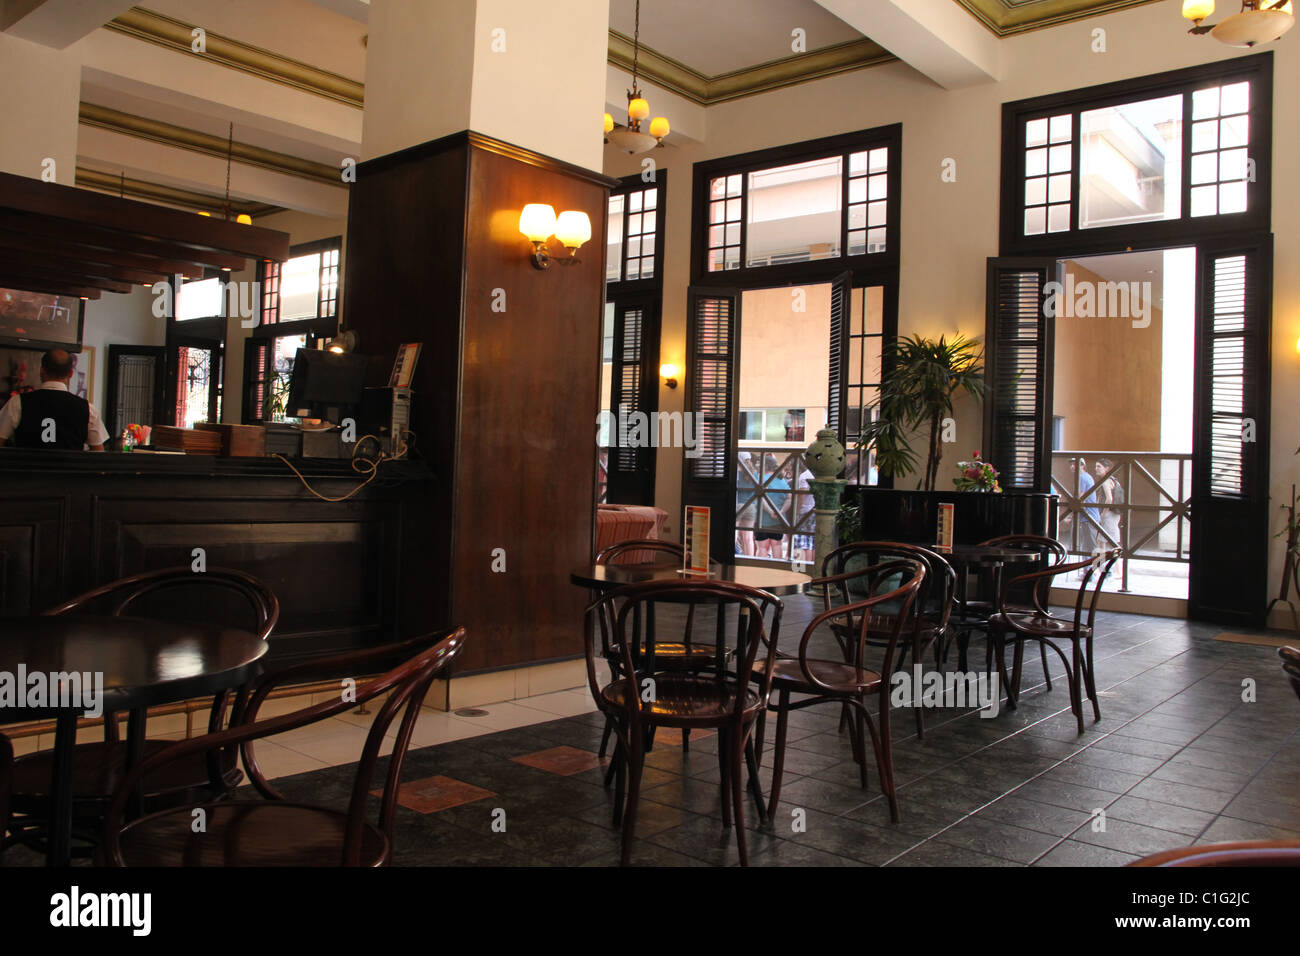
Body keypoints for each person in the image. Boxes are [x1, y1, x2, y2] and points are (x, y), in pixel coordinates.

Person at [0, 349, 107, 451]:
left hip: (26, 469)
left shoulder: (18, 402)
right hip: (70, 470)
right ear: (70, 373)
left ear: (41, 370)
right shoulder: (88, 409)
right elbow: (98, 453)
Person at [1094, 457, 1124, 549]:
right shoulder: (1114, 480)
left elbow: (1109, 499)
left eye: (1099, 466)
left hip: (1109, 514)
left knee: (1105, 541)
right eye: (1096, 466)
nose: (1096, 468)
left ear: (1106, 468)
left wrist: (1103, 513)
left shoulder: (1106, 481)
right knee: (1108, 541)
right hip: (1115, 513)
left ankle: (1103, 562)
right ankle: (1104, 562)